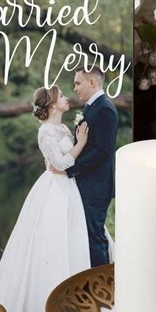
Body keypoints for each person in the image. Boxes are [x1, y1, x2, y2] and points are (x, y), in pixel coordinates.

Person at [0, 85, 91, 312]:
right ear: (51, 104)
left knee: (71, 236)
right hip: (54, 189)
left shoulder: (62, 128)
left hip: (69, 187)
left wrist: (78, 144)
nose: (67, 98)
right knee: (51, 241)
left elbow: (66, 163)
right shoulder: (45, 132)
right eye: (62, 96)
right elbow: (59, 164)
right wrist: (81, 143)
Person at [50, 66, 118, 267]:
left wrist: (70, 168)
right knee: (85, 235)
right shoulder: (91, 107)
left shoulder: (105, 108)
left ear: (92, 82)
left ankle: (103, 287)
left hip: (96, 186)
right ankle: (89, 285)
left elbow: (102, 151)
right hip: (86, 183)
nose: (75, 88)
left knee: (93, 237)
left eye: (78, 83)